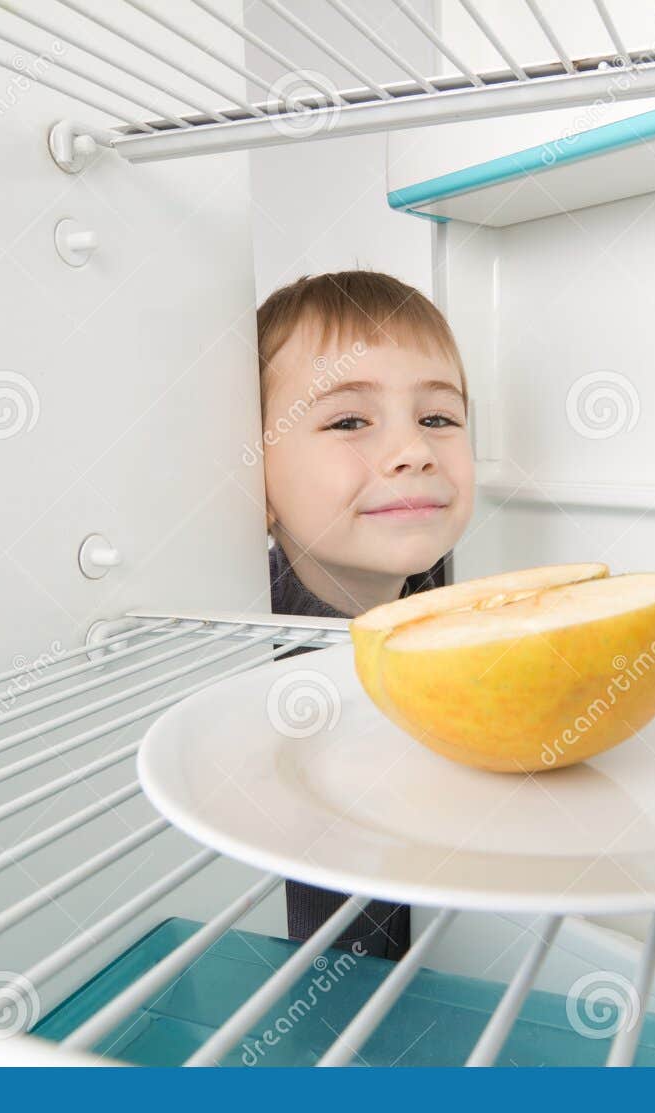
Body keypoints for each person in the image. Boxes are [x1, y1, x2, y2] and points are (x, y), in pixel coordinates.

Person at [256, 269, 475, 961]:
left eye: (437, 417)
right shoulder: (251, 658)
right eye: (349, 420)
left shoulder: (451, 611)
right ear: (252, 484)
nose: (414, 451)